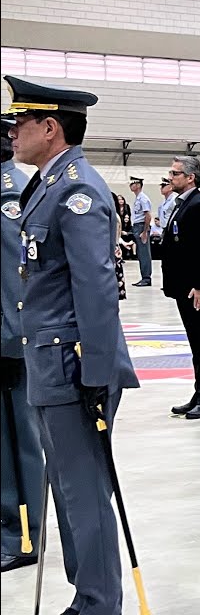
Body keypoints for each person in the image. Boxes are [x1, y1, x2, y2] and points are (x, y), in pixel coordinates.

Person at [6, 75, 139, 615]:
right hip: (47, 359)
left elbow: (96, 290)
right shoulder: (46, 185)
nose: (13, 131)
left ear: (51, 127)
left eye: (21, 122)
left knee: (84, 492)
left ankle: (99, 603)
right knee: (66, 489)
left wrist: (97, 377)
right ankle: (86, 594)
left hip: (71, 363)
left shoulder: (78, 192)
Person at [0, 118, 43, 573]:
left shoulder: (9, 192)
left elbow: (18, 272)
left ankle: (23, 536)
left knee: (18, 443)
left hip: (9, 343)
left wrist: (12, 341)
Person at [164, 156, 200, 421]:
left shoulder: (199, 206)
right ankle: (199, 393)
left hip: (198, 290)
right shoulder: (183, 204)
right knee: (196, 345)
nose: (170, 177)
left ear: (191, 178)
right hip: (185, 287)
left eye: (176, 174)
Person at [128, 174, 153, 286]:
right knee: (140, 253)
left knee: (144, 253)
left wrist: (144, 231)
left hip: (141, 226)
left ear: (138, 185)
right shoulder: (138, 198)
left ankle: (146, 278)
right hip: (137, 226)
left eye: (133, 183)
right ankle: (144, 277)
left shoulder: (143, 198)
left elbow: (148, 215)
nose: (130, 185)